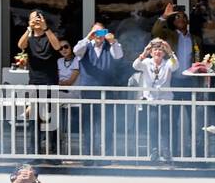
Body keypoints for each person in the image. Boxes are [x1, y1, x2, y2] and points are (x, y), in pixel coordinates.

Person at [73, 21, 124, 149]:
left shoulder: (110, 46)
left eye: (101, 32)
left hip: (107, 91)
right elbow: (76, 51)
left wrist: (113, 41)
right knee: (88, 124)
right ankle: (88, 154)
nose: (98, 35)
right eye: (95, 32)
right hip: (88, 91)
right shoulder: (85, 45)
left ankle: (105, 155)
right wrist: (88, 37)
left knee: (107, 124)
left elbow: (118, 55)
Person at [132, 38, 177, 161]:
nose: (158, 52)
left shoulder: (167, 63)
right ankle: (154, 151)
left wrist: (169, 51)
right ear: (151, 52)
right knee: (152, 127)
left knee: (165, 127)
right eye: (155, 50)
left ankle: (166, 151)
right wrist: (145, 51)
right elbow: (135, 65)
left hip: (165, 100)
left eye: (160, 50)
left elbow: (176, 65)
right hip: (151, 100)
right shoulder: (146, 62)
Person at [151, 2, 201, 75]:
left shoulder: (196, 39)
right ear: (174, 22)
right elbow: (155, 32)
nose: (181, 19)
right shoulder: (168, 35)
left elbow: (198, 59)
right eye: (177, 17)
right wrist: (164, 16)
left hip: (191, 78)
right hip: (172, 78)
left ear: (188, 21)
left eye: (184, 17)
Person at [18, 10, 62, 87]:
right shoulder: (28, 38)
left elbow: (57, 47)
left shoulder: (51, 35)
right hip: (34, 80)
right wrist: (29, 29)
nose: (36, 20)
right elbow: (21, 45)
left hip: (51, 81)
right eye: (33, 18)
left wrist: (45, 28)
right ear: (29, 21)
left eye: (38, 18)